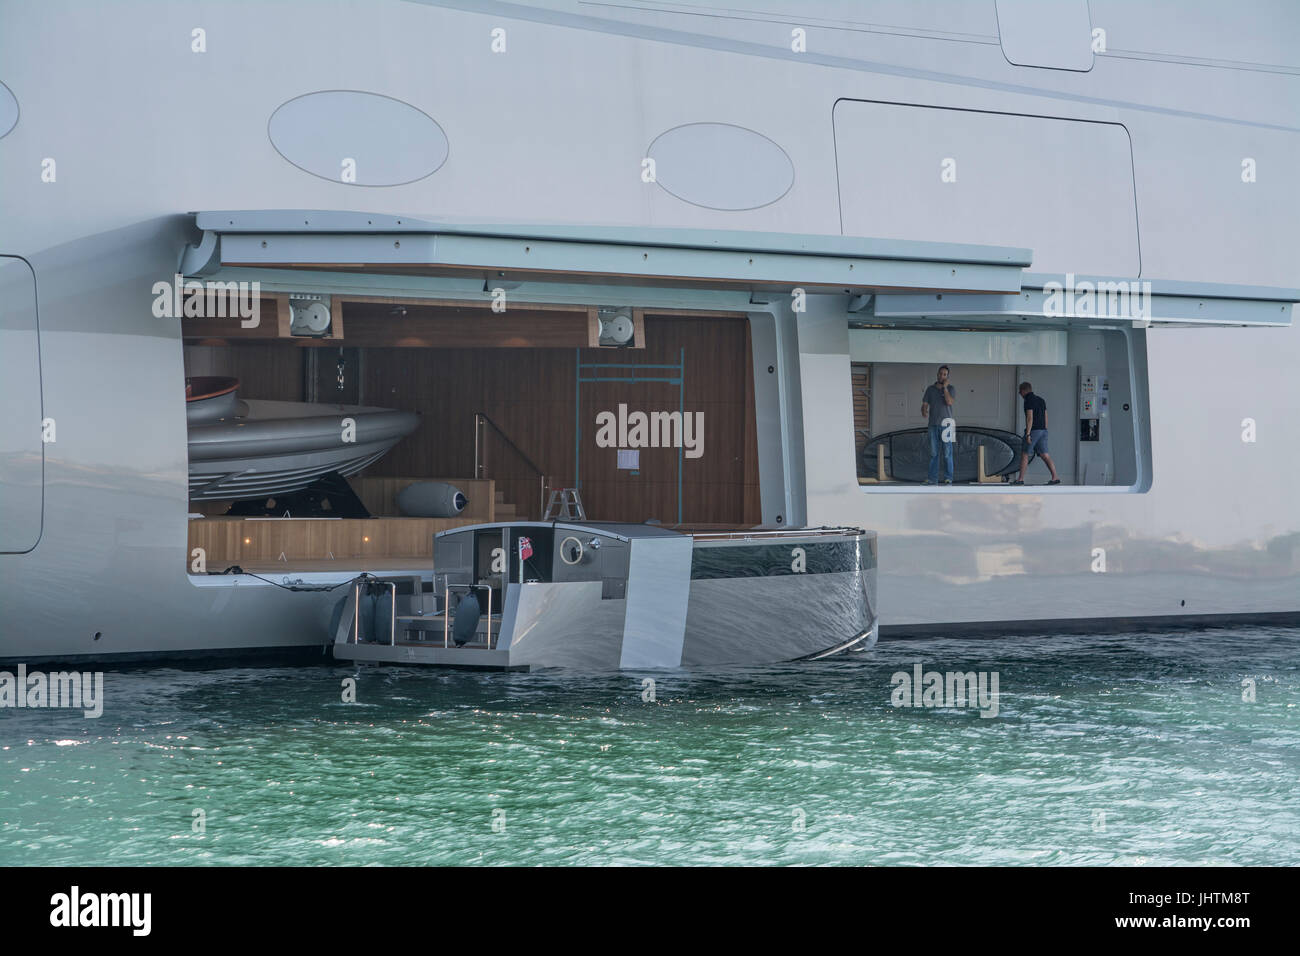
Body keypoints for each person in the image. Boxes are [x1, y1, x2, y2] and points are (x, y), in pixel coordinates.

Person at [1013, 382, 1061, 485]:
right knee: (1045, 455)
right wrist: (1045, 430)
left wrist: (1028, 434)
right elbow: (1046, 417)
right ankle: (1055, 477)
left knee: (1025, 454)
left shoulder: (1028, 400)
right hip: (1043, 430)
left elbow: (1030, 418)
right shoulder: (1041, 400)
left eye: (1020, 391)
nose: (1019, 394)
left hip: (1034, 431)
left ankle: (1020, 479)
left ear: (1024, 390)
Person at [920, 365, 956, 484]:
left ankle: (948, 478)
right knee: (934, 453)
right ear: (937, 374)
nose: (942, 376)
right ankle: (932, 478)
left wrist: (944, 388)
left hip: (947, 424)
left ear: (947, 376)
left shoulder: (951, 388)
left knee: (947, 453)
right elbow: (925, 403)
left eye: (945, 374)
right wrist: (924, 410)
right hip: (933, 424)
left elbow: (949, 402)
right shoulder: (930, 389)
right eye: (940, 374)